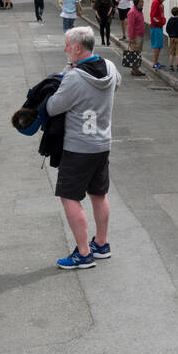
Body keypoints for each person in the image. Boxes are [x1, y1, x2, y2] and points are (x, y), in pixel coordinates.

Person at [48, 26, 121, 269]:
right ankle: (101, 244)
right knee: (98, 194)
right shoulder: (109, 67)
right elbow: (116, 85)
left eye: (67, 45)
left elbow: (53, 107)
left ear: (78, 48)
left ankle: (83, 253)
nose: (65, 49)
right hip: (102, 143)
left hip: (79, 147)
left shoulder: (75, 77)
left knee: (69, 197)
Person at [148, 0, 169, 70]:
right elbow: (152, 16)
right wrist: (161, 21)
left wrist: (161, 21)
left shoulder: (159, 3)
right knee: (157, 45)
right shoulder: (156, 3)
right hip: (156, 26)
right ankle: (155, 62)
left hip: (158, 26)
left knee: (159, 45)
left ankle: (156, 62)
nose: (165, 0)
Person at [126, 0, 146, 76]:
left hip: (140, 35)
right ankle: (136, 69)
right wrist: (131, 38)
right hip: (136, 36)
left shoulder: (139, 10)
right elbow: (131, 26)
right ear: (137, 2)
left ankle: (135, 69)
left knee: (137, 52)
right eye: (141, 1)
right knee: (135, 53)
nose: (143, 3)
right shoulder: (132, 12)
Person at [166, 6, 178, 71]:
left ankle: (171, 66)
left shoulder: (170, 20)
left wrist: (170, 34)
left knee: (171, 52)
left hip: (171, 38)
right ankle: (177, 66)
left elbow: (167, 29)